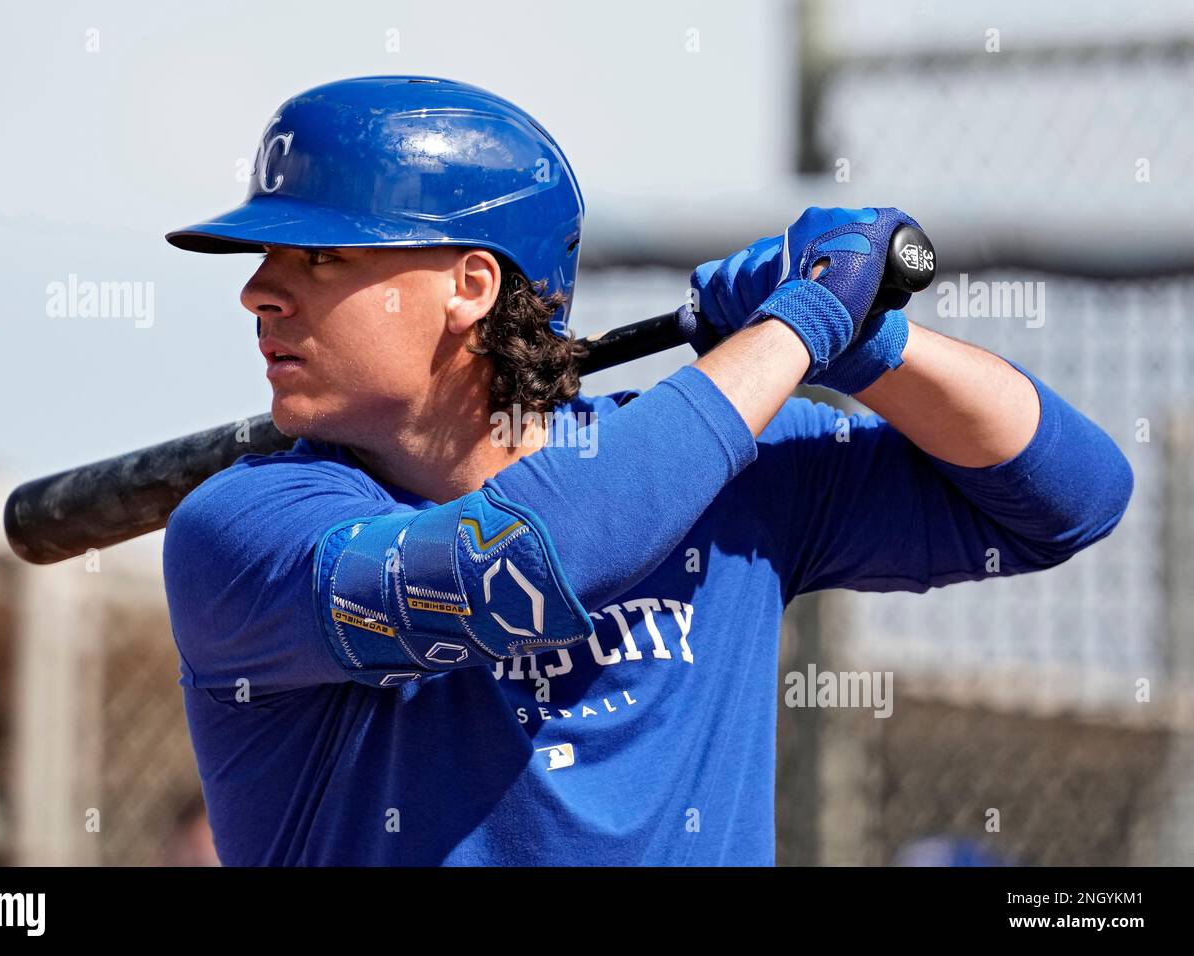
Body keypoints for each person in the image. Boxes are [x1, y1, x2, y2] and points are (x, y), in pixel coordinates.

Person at [161, 76, 1132, 865]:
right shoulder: (245, 526)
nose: (258, 291)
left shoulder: (729, 471)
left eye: (319, 258)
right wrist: (794, 327)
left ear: (470, 284)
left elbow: (1069, 499)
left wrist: (870, 345)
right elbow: (522, 563)